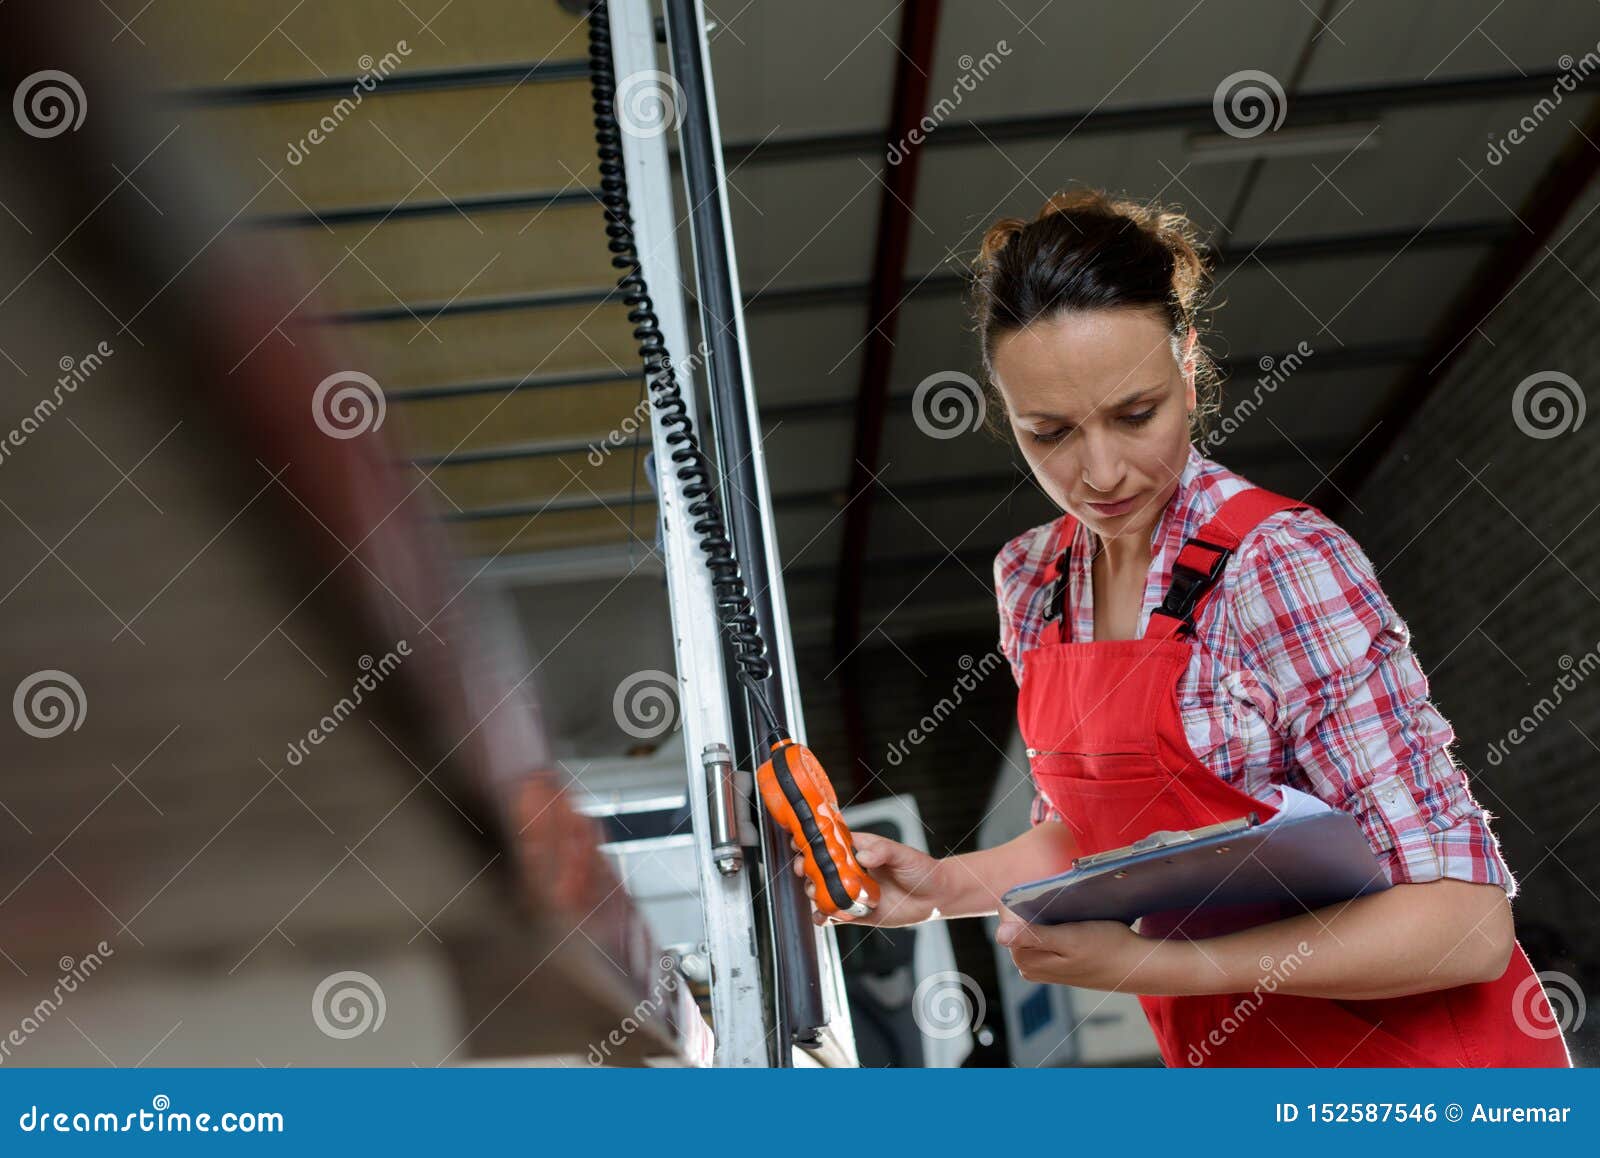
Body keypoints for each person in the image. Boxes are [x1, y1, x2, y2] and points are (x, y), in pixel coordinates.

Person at [796, 187, 1572, 1067]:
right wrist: (939, 888)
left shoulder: (1278, 566)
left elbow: (1462, 926)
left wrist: (1159, 963)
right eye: (1048, 432)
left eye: (1136, 415)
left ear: (1190, 364)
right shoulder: (1034, 581)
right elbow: (1098, 833)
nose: (1101, 473)